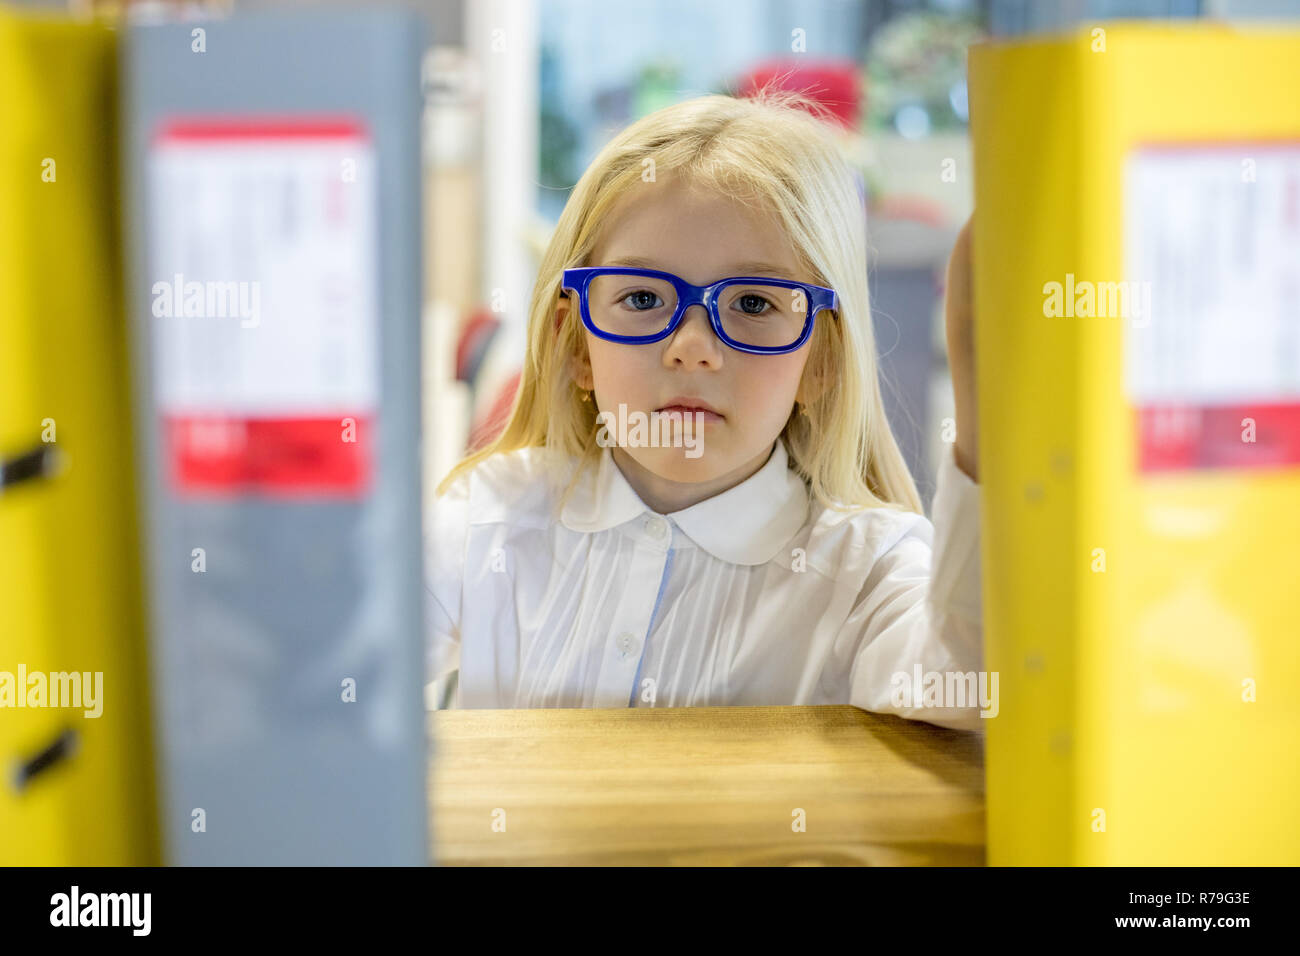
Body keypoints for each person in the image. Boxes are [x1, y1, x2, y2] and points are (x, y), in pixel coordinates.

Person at [426, 89, 984, 730]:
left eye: (752, 304)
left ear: (822, 361)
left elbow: (970, 684)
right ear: (574, 342)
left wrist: (990, 432)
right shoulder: (490, 515)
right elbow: (331, 664)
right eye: (642, 299)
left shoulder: (865, 571)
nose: (692, 348)